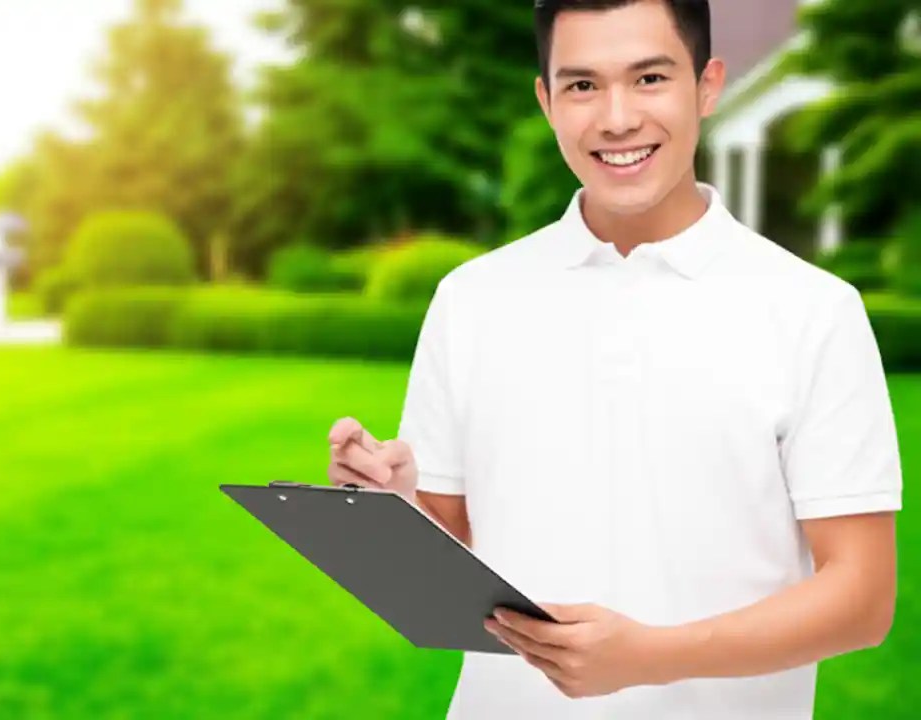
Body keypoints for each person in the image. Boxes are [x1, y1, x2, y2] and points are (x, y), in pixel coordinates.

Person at [325, 1, 902, 718]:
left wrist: (653, 658)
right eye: (582, 86)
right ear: (545, 99)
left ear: (708, 85)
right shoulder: (472, 298)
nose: (617, 118)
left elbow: (863, 597)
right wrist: (394, 507)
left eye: (650, 77)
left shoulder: (813, 311)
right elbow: (447, 559)